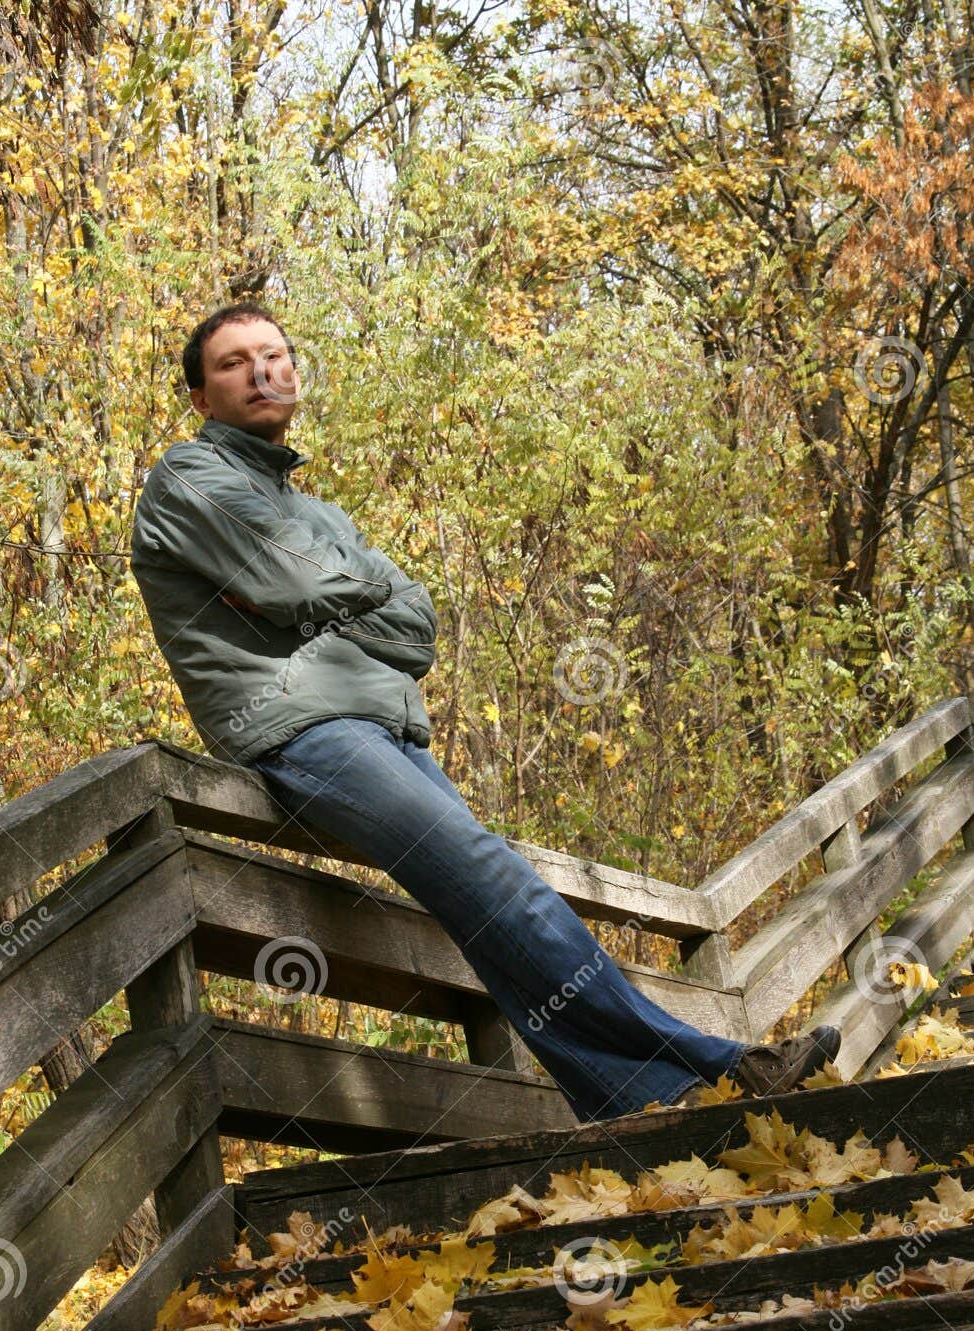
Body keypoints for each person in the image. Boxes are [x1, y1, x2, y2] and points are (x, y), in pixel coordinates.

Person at [129, 300, 840, 1126]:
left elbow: (414, 626)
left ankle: (634, 1096)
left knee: (484, 901)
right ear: (199, 396)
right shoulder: (188, 479)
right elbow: (299, 588)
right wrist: (336, 596)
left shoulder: (316, 512)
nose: (261, 372)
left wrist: (324, 599)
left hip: (386, 728)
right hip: (299, 729)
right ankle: (724, 1067)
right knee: (494, 876)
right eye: (232, 363)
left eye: (275, 354)